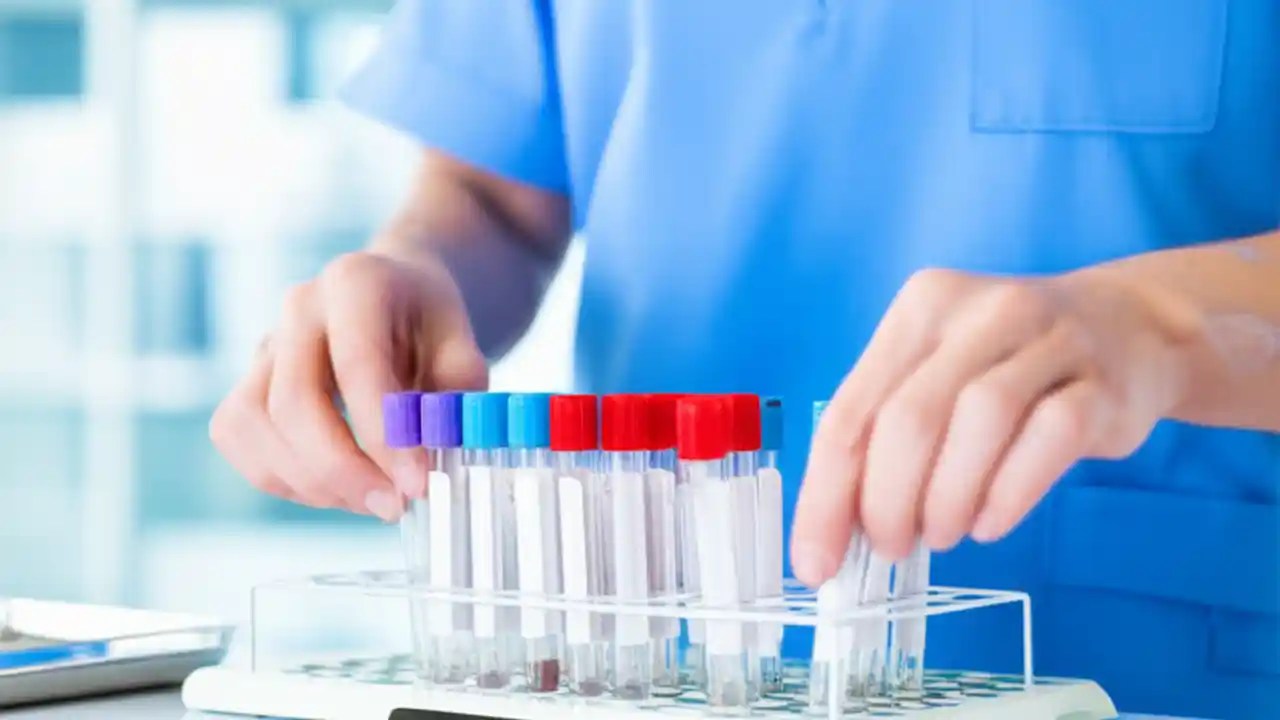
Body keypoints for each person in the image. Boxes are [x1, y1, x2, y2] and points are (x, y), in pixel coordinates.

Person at [208, 2, 1280, 717]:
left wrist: (1159, 318)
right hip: (648, 662)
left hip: (1156, 668)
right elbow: (497, 190)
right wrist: (411, 268)